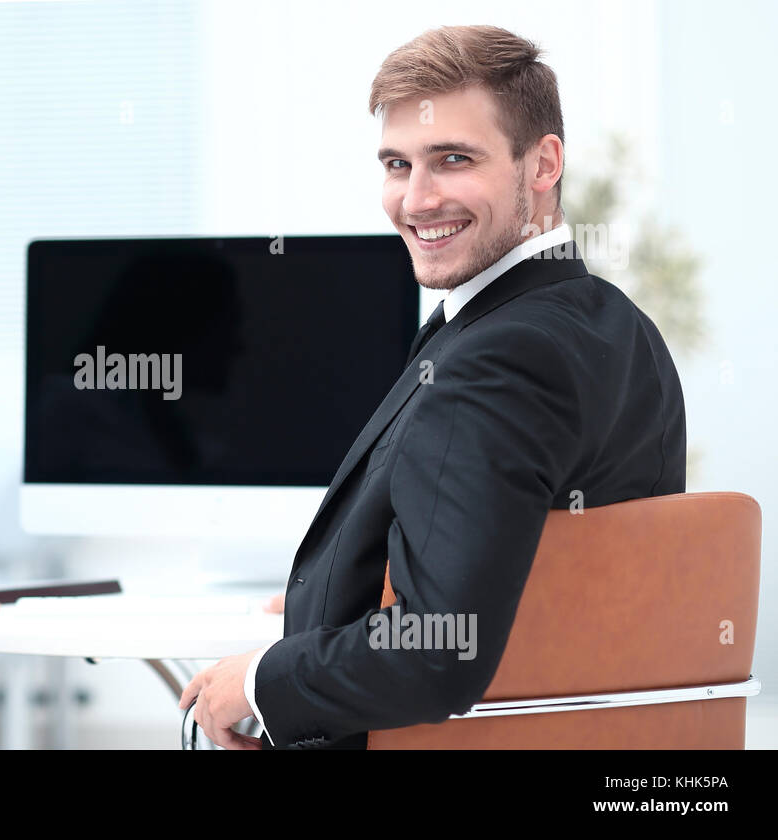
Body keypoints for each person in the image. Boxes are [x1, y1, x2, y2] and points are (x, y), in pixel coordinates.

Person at [180, 25, 686, 749]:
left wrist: (264, 681)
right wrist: (330, 607)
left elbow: (438, 650)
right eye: (396, 163)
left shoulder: (499, 356)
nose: (415, 200)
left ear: (542, 164)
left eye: (453, 159)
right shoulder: (619, 326)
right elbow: (512, 566)